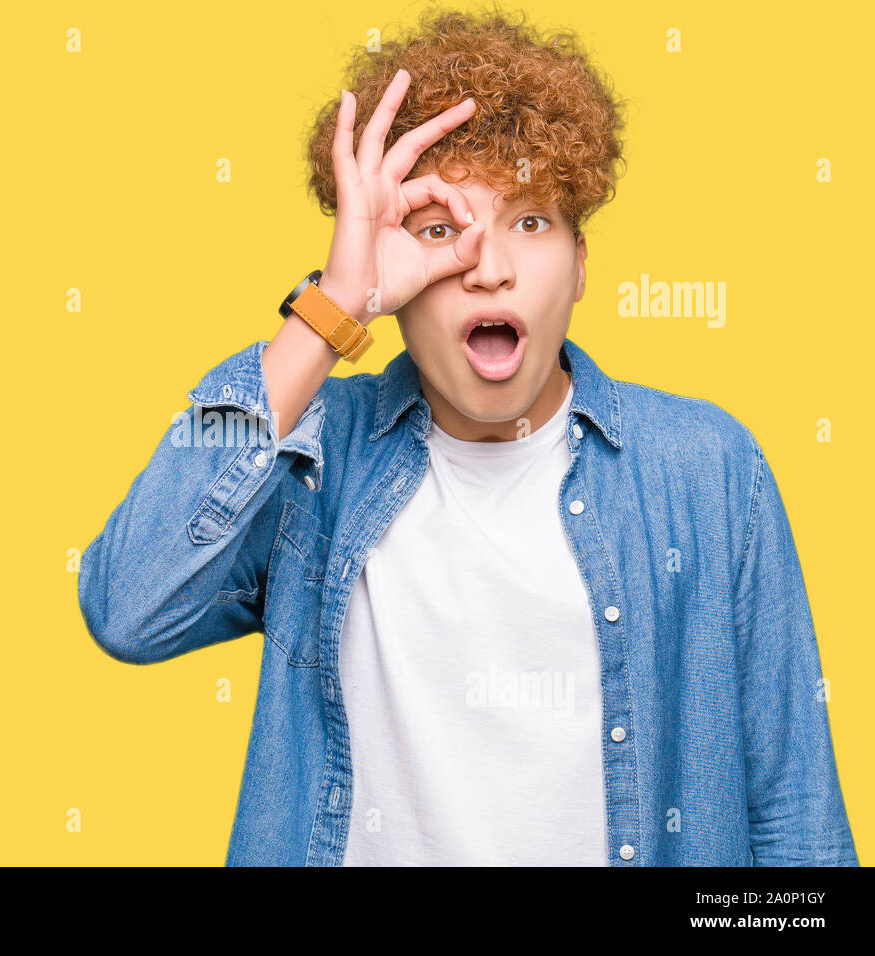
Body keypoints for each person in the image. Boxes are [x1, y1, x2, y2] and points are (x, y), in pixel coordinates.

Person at [77, 4, 859, 866]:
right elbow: (127, 606)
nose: (488, 267)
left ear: (582, 263)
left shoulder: (707, 471)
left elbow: (796, 819)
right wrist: (331, 307)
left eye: (530, 221)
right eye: (441, 232)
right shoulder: (313, 459)